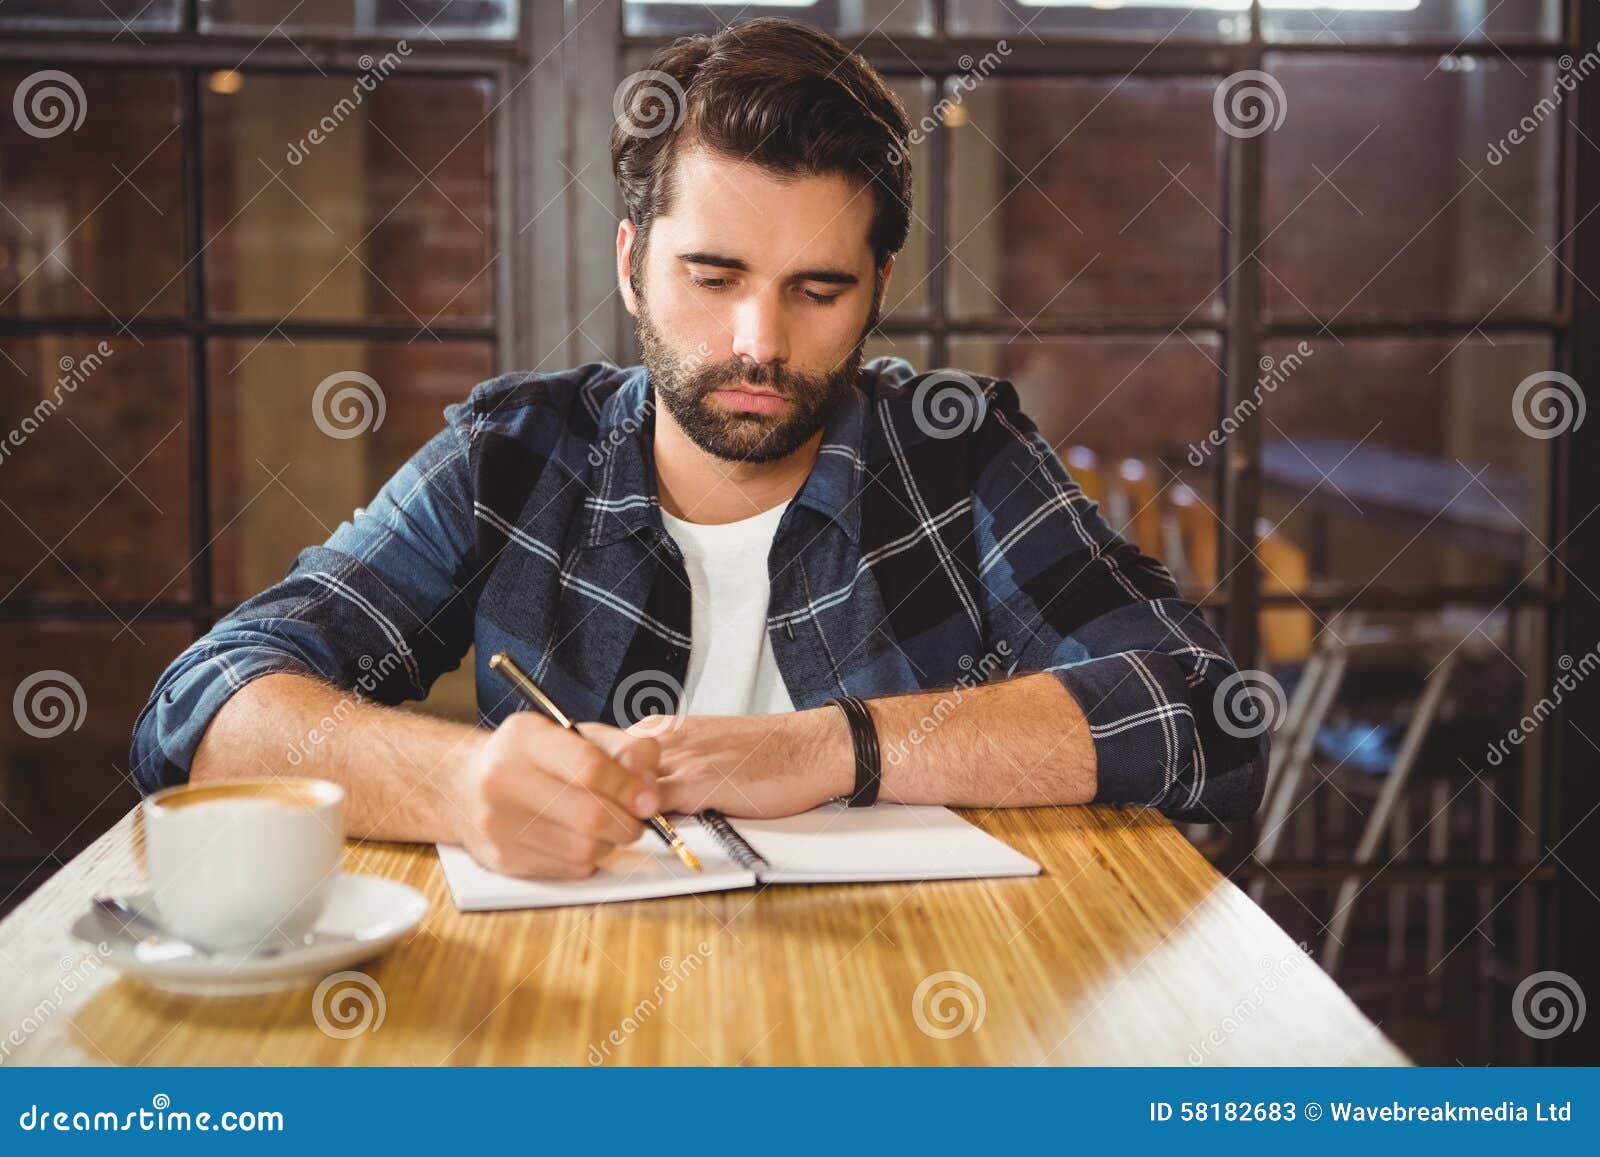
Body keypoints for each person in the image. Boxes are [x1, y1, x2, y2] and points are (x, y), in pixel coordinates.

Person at [131, 18, 1267, 881]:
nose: (758, 342)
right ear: (632, 265)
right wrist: (460, 780)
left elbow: (1205, 716)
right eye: (713, 278)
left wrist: (835, 749)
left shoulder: (956, 449)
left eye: (817, 289)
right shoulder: (513, 455)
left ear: (878, 287)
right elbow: (200, 709)